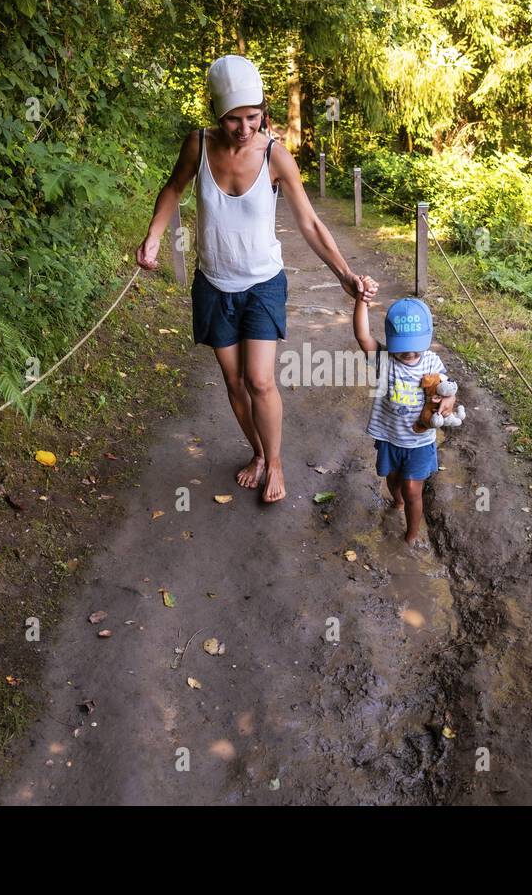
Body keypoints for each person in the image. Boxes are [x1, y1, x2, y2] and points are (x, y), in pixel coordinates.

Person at [135, 55, 369, 504]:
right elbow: (172, 189)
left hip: (263, 283)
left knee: (260, 380)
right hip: (213, 283)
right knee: (234, 382)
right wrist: (154, 236)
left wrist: (344, 274)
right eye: (233, 120)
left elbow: (310, 224)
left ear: (263, 111)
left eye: (252, 117)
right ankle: (258, 453)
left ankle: (276, 462)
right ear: (216, 115)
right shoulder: (198, 146)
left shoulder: (276, 155)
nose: (244, 129)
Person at [353, 286, 457, 547]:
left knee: (413, 489)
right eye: (403, 350)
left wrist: (449, 399)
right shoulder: (385, 360)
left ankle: (411, 533)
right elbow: (362, 336)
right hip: (390, 437)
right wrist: (361, 302)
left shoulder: (431, 361)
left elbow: (447, 387)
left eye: (415, 350)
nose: (410, 355)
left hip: (420, 441)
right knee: (393, 478)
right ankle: (396, 500)